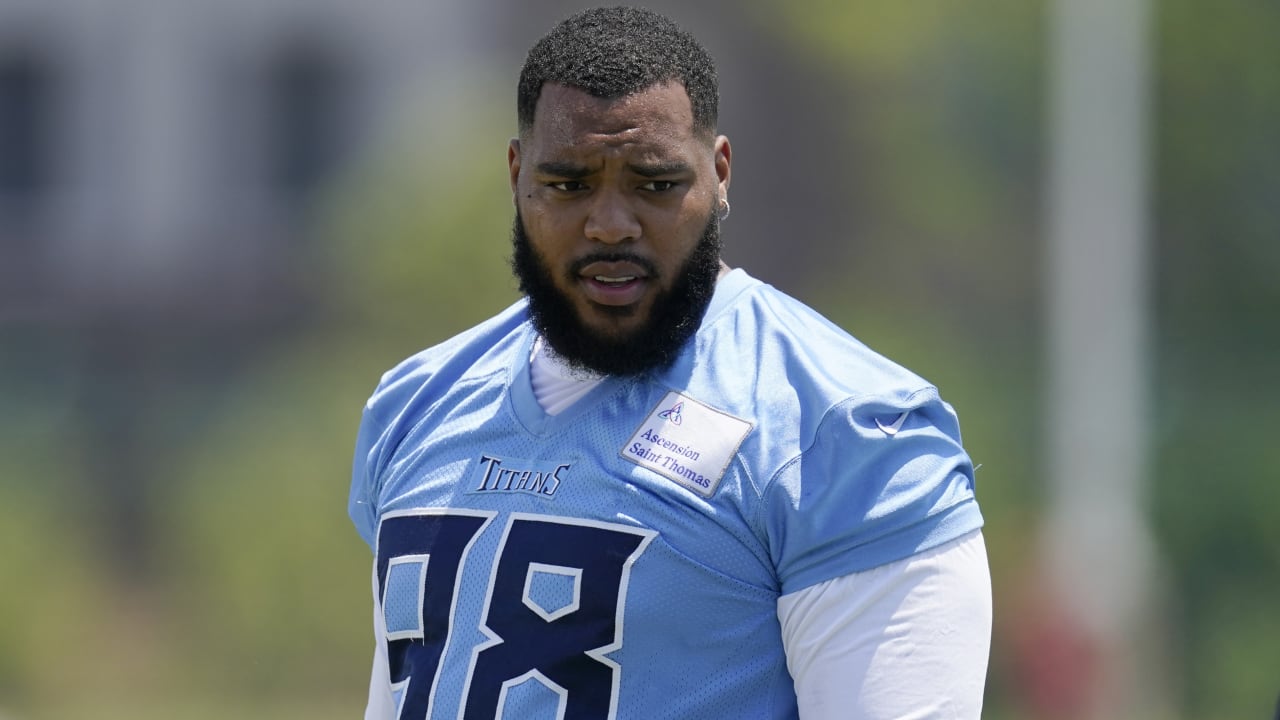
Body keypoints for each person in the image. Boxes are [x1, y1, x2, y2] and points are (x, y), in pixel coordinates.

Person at [349, 6, 992, 719]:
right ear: (516, 175)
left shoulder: (845, 430)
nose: (610, 224)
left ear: (718, 173)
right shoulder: (417, 403)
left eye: (654, 184)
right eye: (568, 184)